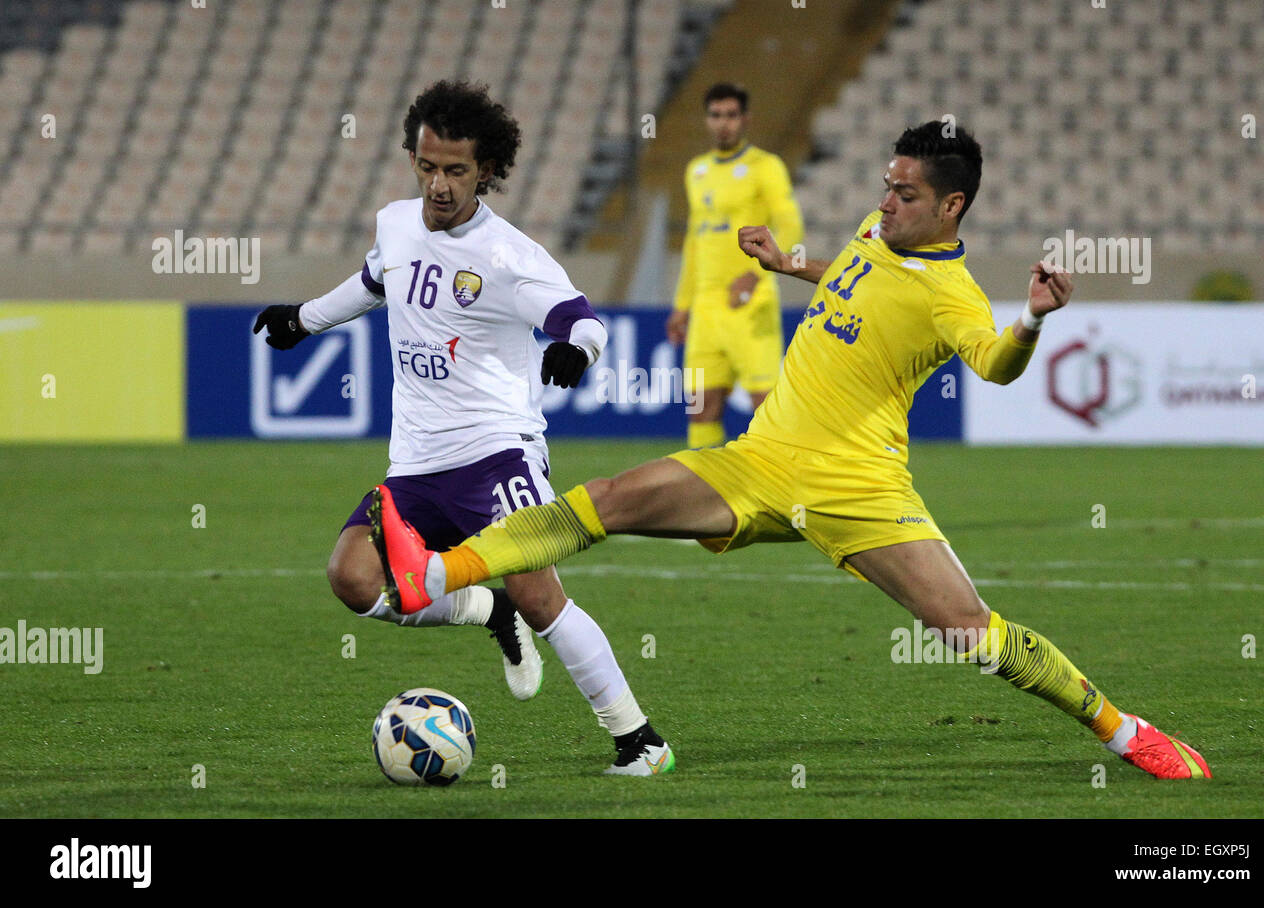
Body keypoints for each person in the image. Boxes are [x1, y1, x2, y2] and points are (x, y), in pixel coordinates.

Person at [370, 119, 1211, 781]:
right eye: (885, 186)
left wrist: (1029, 318)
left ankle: (1124, 731)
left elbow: (993, 365)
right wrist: (786, 263)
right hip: (761, 459)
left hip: (858, 489)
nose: (886, 203)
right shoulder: (876, 233)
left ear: (952, 208)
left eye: (906, 194)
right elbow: (852, 266)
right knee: (610, 498)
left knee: (969, 634)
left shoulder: (952, 295)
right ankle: (439, 575)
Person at [253, 80, 672, 776]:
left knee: (541, 594)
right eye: (427, 166)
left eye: (454, 170)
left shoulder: (509, 257)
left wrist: (577, 349)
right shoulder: (395, 223)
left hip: (495, 453)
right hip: (414, 465)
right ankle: (486, 611)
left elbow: (583, 318)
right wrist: (303, 320)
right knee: (353, 579)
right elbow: (374, 281)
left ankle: (640, 740)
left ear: (487, 171)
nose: (438, 185)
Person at [665, 82, 803, 447]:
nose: (723, 123)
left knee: (766, 408)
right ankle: (706, 496)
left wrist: (756, 274)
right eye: (715, 115)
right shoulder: (696, 171)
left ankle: (778, 494)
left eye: (730, 115)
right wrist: (682, 305)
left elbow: (790, 223)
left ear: (745, 120)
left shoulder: (765, 166)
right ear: (707, 120)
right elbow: (695, 240)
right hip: (706, 308)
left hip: (750, 303)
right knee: (701, 408)